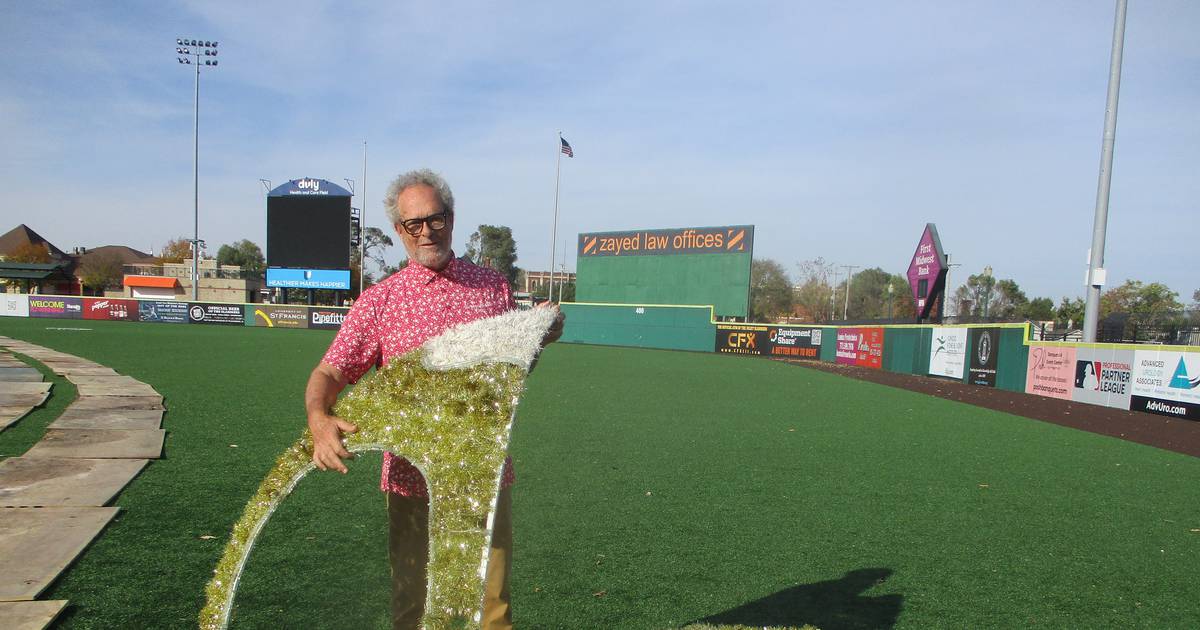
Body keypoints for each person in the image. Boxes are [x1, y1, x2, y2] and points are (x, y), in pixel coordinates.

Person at [303, 168, 563, 629]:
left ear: (451, 218)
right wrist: (318, 417)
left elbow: (512, 376)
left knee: (493, 608)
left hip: (482, 473)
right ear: (399, 230)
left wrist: (539, 340)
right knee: (413, 606)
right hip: (410, 480)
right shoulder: (380, 302)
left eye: (435, 219)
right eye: (414, 223)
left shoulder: (492, 288)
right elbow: (330, 371)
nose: (427, 231)